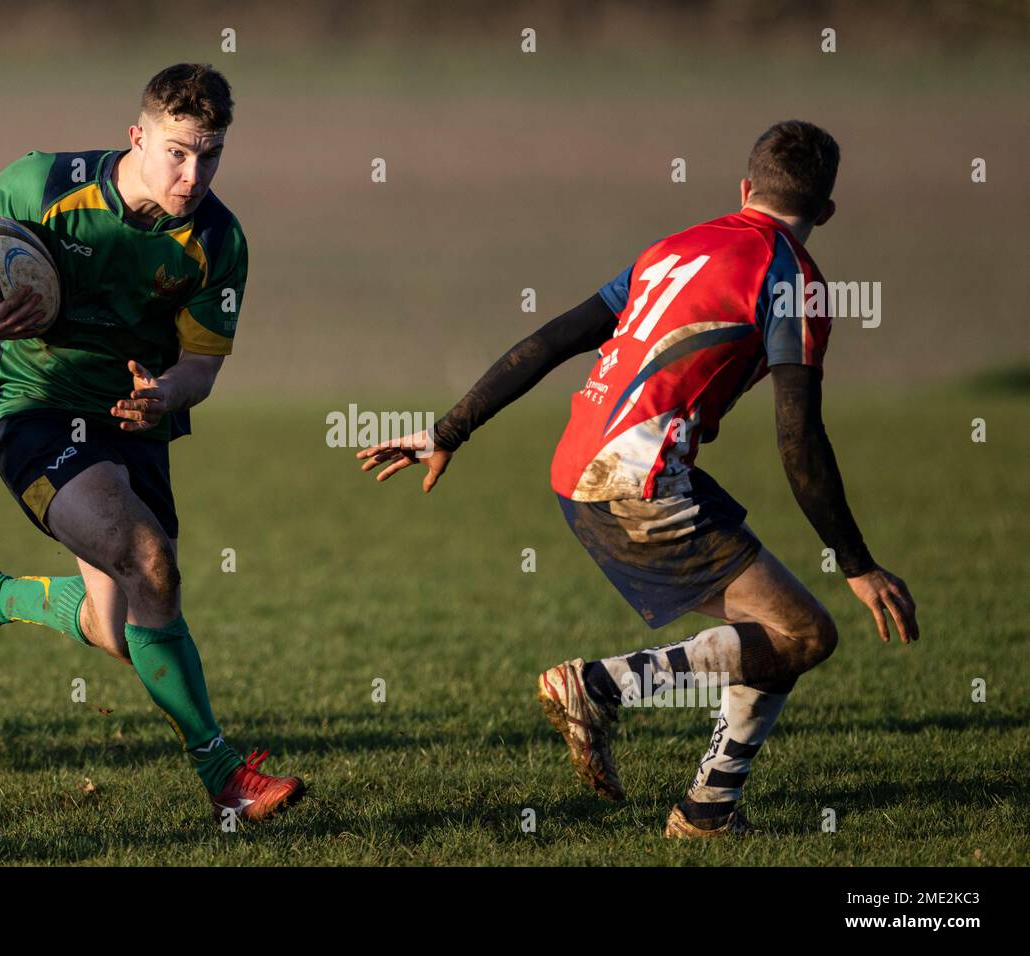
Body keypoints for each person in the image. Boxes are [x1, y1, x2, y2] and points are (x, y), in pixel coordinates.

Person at [356, 120, 918, 837]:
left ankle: (709, 810)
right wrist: (859, 565)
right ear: (826, 213)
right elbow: (798, 438)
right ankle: (599, 686)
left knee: (777, 630)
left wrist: (448, 430)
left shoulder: (673, 247)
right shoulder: (794, 281)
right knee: (805, 633)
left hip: (582, 465)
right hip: (637, 481)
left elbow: (550, 340)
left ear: (745, 190)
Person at [0, 63, 305, 824]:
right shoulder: (43, 184)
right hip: (36, 411)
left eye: (210, 155)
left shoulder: (217, 242)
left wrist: (168, 393)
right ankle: (226, 775)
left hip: (133, 422)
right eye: (176, 151)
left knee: (117, 624)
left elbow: (201, 366)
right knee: (149, 563)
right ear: (137, 137)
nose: (193, 173)